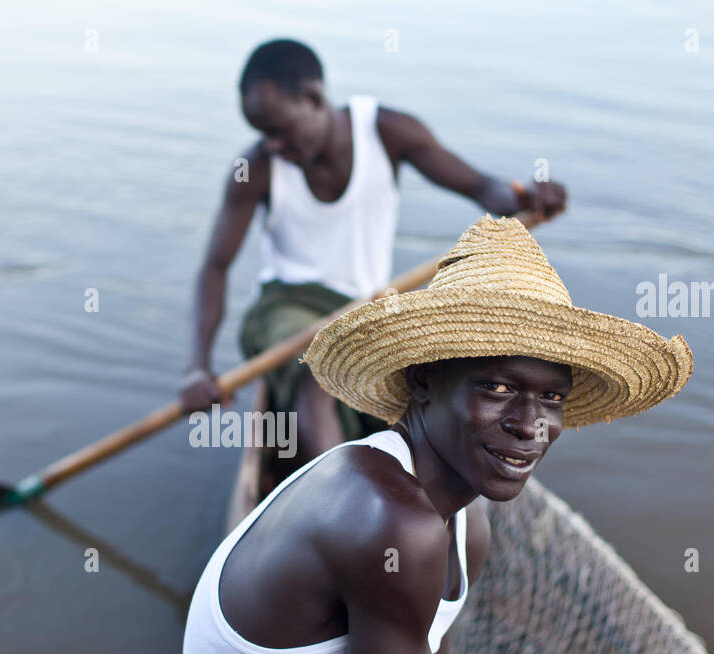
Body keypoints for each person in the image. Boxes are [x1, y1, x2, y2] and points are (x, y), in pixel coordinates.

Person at [180, 215, 714, 654]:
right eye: (497, 388)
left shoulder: (468, 524)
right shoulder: (387, 518)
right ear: (423, 380)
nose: (529, 426)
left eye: (550, 397)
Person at [179, 38, 568, 480]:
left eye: (280, 129)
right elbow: (214, 268)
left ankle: (397, 488)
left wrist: (526, 198)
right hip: (287, 307)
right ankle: (338, 502)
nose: (273, 145)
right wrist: (197, 367)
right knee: (321, 367)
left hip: (371, 308)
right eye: (262, 133)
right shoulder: (256, 169)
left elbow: (483, 188)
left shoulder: (388, 132)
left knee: (418, 390)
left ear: (313, 98)